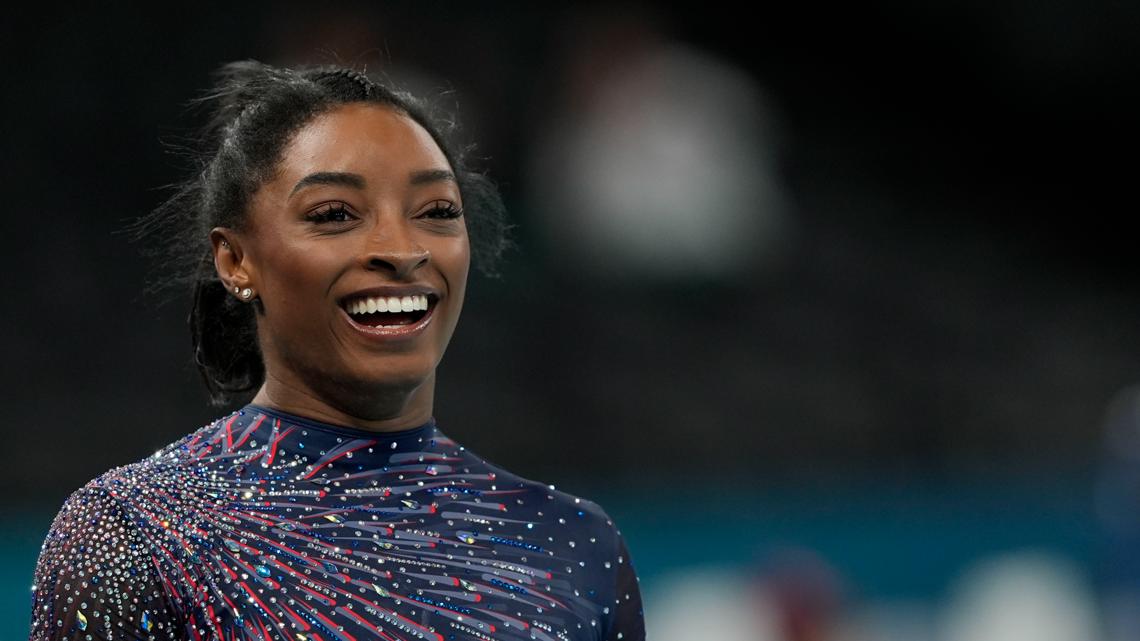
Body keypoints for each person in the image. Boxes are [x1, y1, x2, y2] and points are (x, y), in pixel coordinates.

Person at [29, 60, 645, 641]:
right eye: (334, 214)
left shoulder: (574, 543)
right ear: (236, 261)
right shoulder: (137, 532)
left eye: (436, 210)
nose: (402, 249)